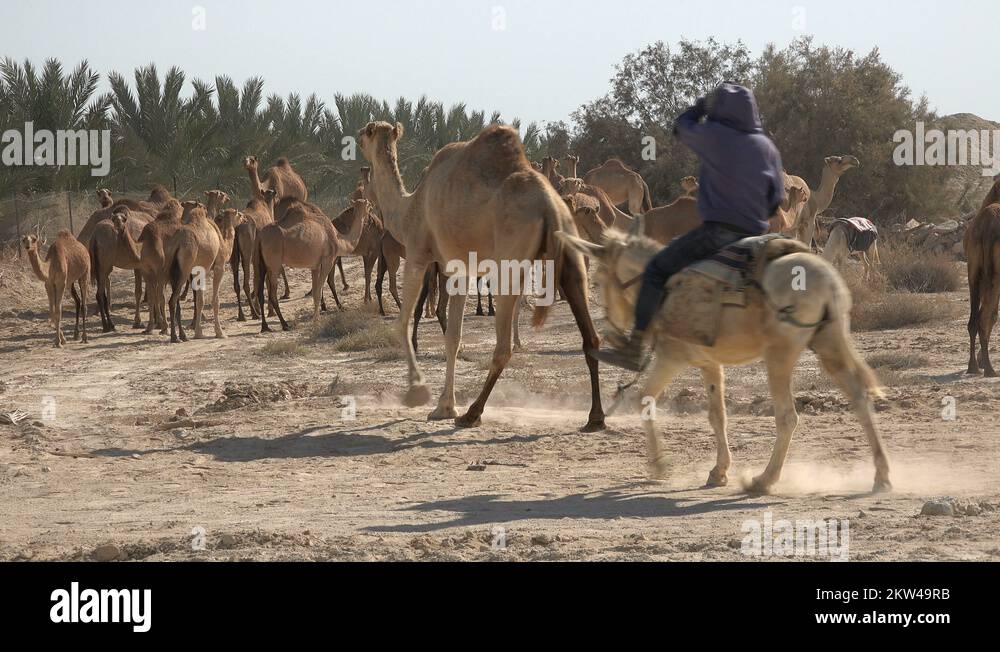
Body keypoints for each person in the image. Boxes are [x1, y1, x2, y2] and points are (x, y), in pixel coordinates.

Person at [592, 82, 786, 371]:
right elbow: (776, 201)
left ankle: (634, 348)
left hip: (718, 233)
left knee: (656, 269)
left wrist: (699, 108)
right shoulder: (767, 147)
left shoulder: (717, 136)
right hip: (757, 236)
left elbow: (680, 127)